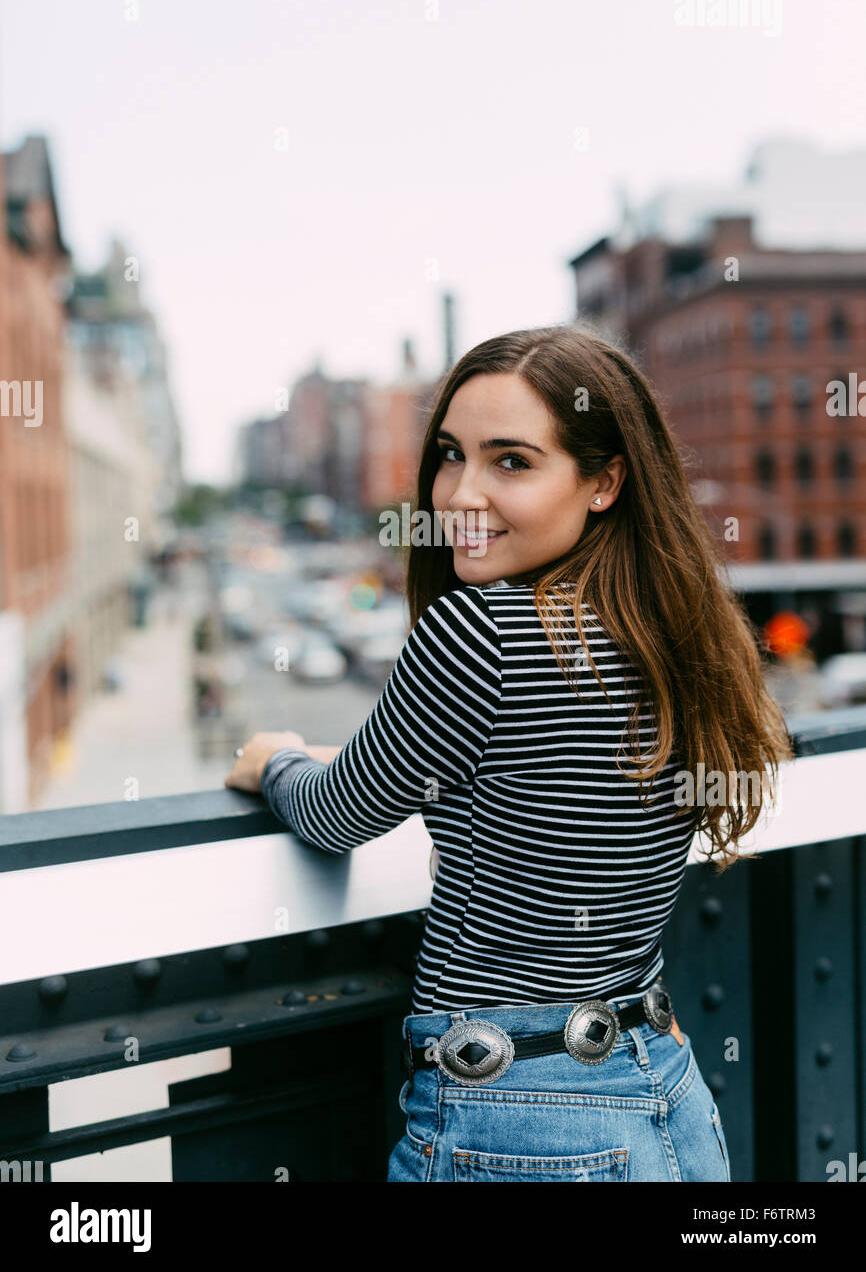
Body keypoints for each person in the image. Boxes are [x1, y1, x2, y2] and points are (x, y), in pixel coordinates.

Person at [224, 322, 793, 1182]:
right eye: (451, 455)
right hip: (666, 1097)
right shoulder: (673, 634)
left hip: (518, 1125)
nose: (460, 492)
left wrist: (274, 761)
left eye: (511, 462)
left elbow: (335, 813)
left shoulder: (480, 632)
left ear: (604, 482)